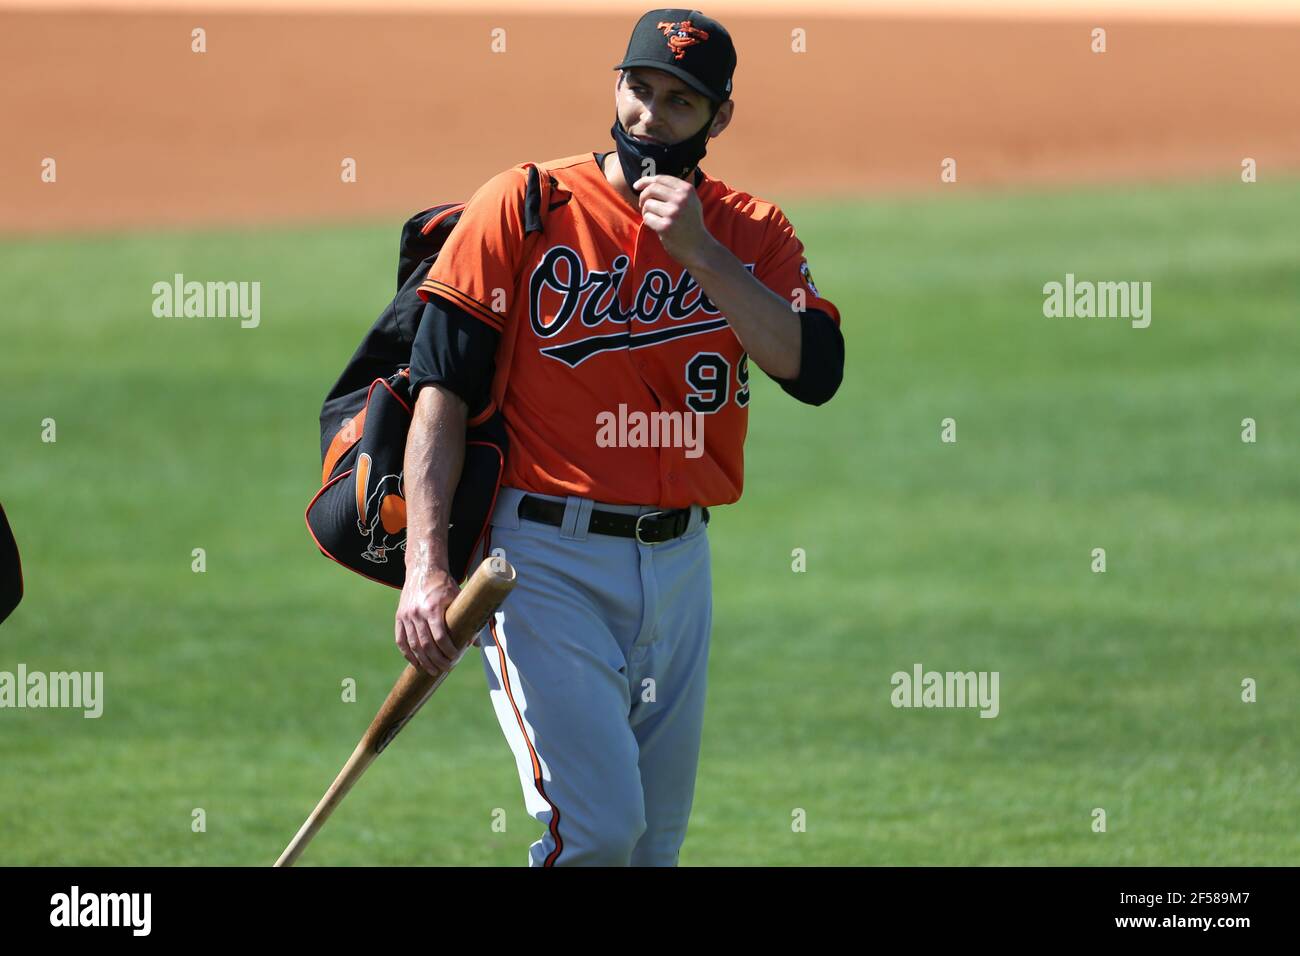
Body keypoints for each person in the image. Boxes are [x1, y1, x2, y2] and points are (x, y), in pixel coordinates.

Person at [394, 8, 844, 866]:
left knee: (650, 851)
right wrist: (426, 568)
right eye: (639, 91)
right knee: (597, 832)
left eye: (680, 102)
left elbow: (813, 371)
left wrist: (706, 255)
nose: (650, 118)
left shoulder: (754, 231)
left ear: (720, 118)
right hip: (542, 560)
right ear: (616, 86)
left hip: (681, 568)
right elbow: (440, 392)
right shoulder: (524, 204)